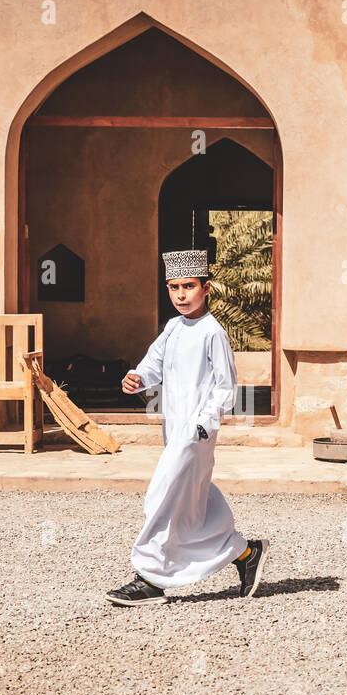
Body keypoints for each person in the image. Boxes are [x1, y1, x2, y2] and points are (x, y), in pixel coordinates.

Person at [106, 249, 268, 606]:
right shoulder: (174, 327)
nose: (181, 294)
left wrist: (202, 425)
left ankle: (149, 579)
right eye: (174, 287)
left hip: (195, 435)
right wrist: (136, 377)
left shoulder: (213, 333)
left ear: (206, 288)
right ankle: (245, 553)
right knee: (192, 504)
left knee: (162, 500)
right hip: (175, 431)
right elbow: (153, 363)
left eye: (189, 286)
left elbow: (226, 388)